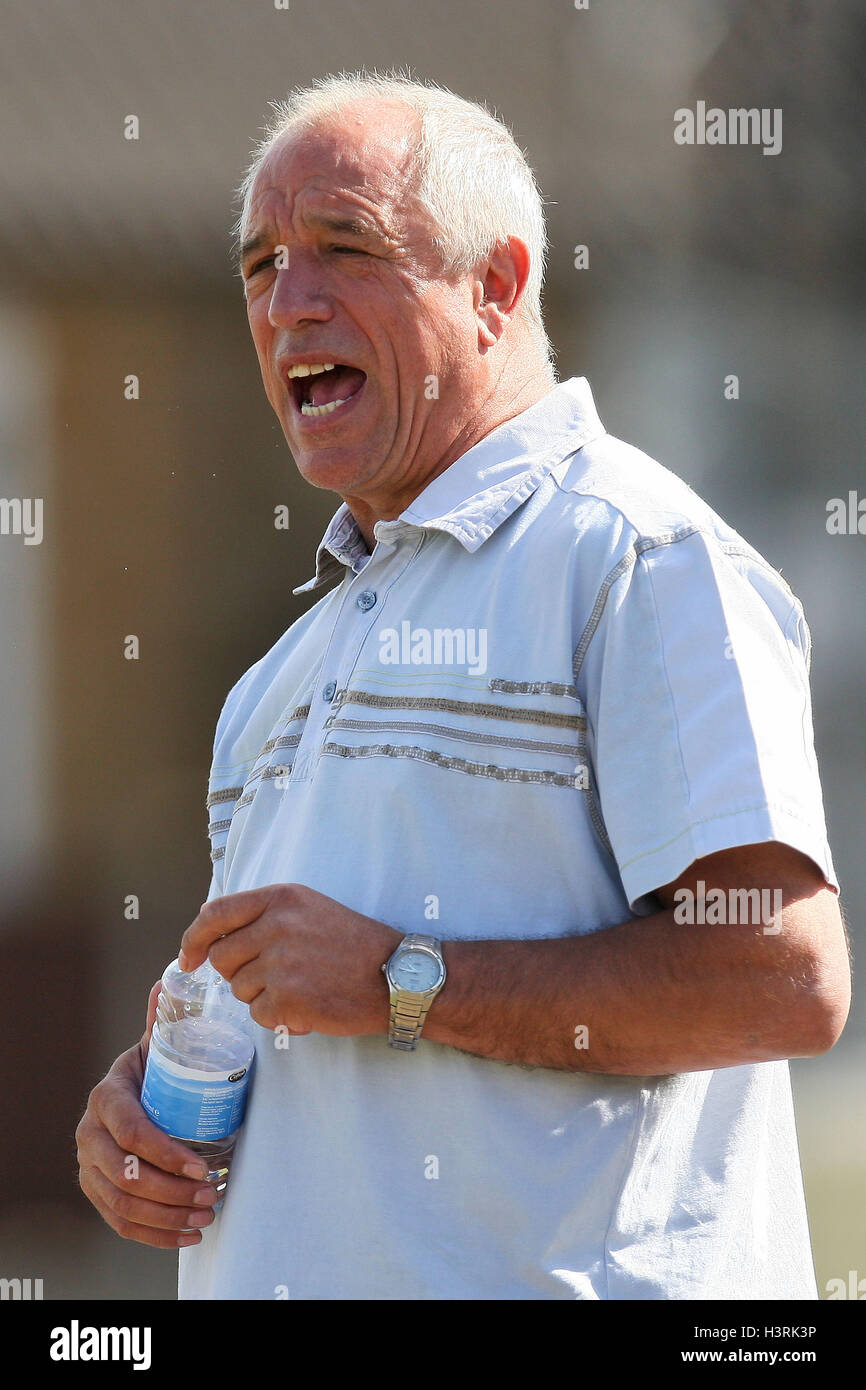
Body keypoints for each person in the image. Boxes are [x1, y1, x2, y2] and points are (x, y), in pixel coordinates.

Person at [76, 72, 850, 1300]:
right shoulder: (279, 678)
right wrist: (151, 1109)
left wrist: (400, 980)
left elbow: (781, 978)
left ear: (493, 288)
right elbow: (317, 1023)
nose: (290, 302)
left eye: (343, 246)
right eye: (260, 265)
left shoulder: (638, 559)